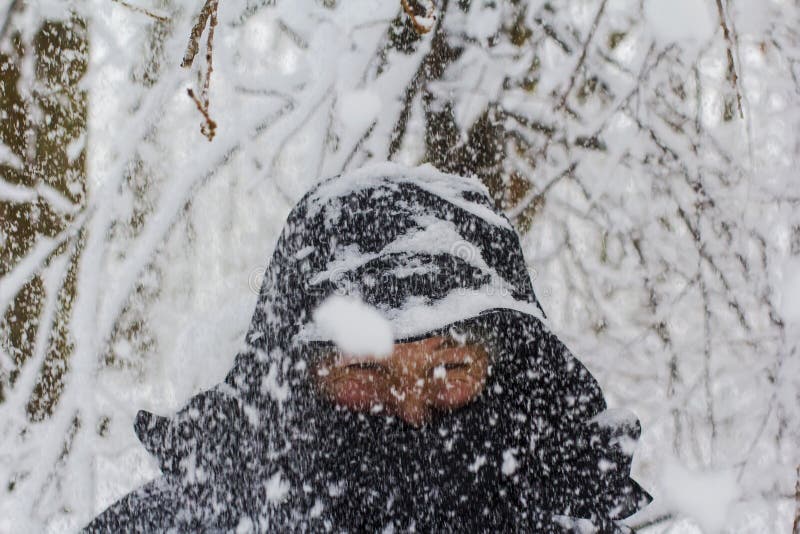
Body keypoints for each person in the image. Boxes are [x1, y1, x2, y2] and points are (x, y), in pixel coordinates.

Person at [84, 164, 651, 532]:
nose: (409, 405)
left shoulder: (572, 519)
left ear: (507, 372)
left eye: (449, 366)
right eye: (363, 369)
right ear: (296, 378)